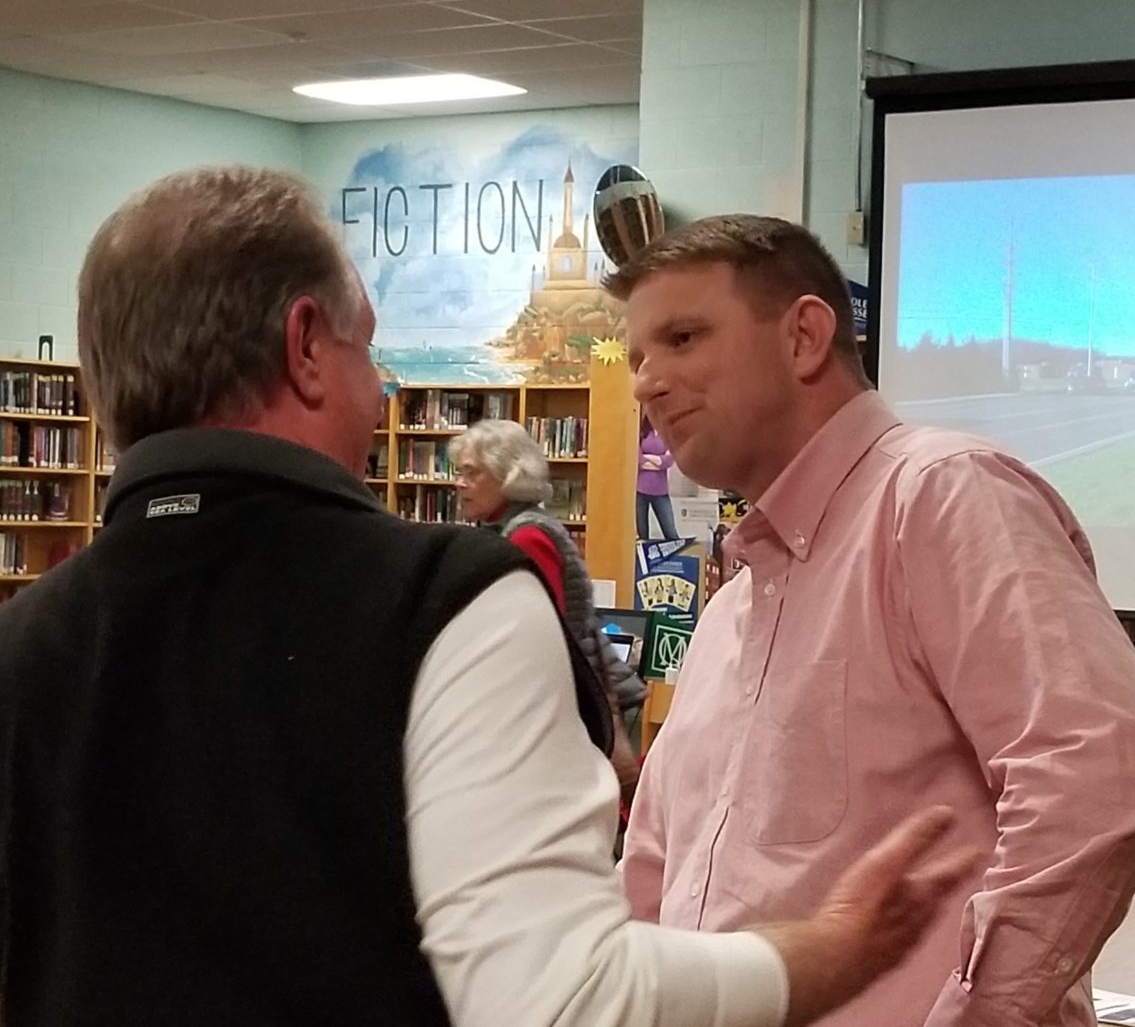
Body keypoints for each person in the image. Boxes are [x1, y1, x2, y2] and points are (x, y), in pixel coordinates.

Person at [0, 166, 983, 1027]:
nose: (381, 395)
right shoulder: (442, 600)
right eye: (364, 351)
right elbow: (557, 1001)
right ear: (305, 347)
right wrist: (828, 955)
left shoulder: (23, 643)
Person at [607, 214, 1135, 1027]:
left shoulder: (940, 495)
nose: (646, 383)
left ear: (806, 335)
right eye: (638, 357)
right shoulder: (737, 602)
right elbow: (660, 872)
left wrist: (986, 1016)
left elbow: (1101, 773)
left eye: (683, 338)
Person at [449, 418, 643, 801]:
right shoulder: (516, 527)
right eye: (459, 472)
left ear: (506, 475)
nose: (460, 483)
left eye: (471, 473)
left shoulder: (526, 535)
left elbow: (543, 637)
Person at [637, 411, 678, 539]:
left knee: (671, 533)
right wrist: (658, 461)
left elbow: (669, 460)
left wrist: (650, 459)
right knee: (642, 535)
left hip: (660, 491)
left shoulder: (667, 435)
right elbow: (639, 461)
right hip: (640, 490)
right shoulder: (642, 434)